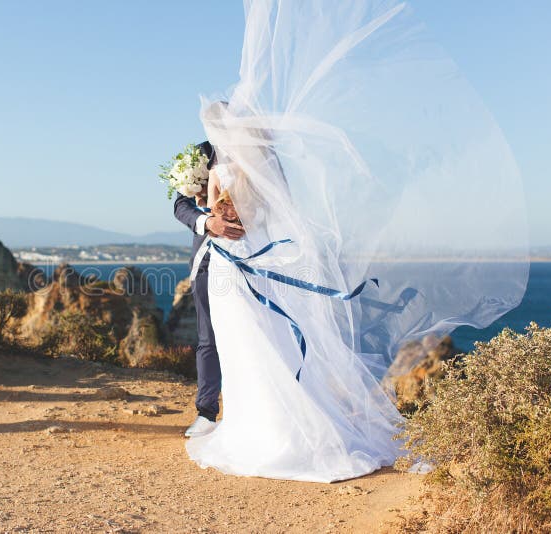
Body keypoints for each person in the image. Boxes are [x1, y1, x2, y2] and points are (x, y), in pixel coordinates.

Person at [183, 0, 529, 482]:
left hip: (236, 263)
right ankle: (237, 417)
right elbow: (225, 206)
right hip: (233, 258)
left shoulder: (230, 165)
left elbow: (223, 201)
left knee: (250, 341)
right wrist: (211, 219)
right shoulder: (238, 161)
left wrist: (218, 210)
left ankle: (259, 427)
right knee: (249, 340)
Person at [173, 141, 245, 438]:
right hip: (208, 257)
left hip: (256, 255)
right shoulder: (201, 153)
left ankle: (255, 412)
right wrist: (208, 221)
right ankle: (206, 413)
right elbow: (180, 205)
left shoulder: (261, 154)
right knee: (208, 336)